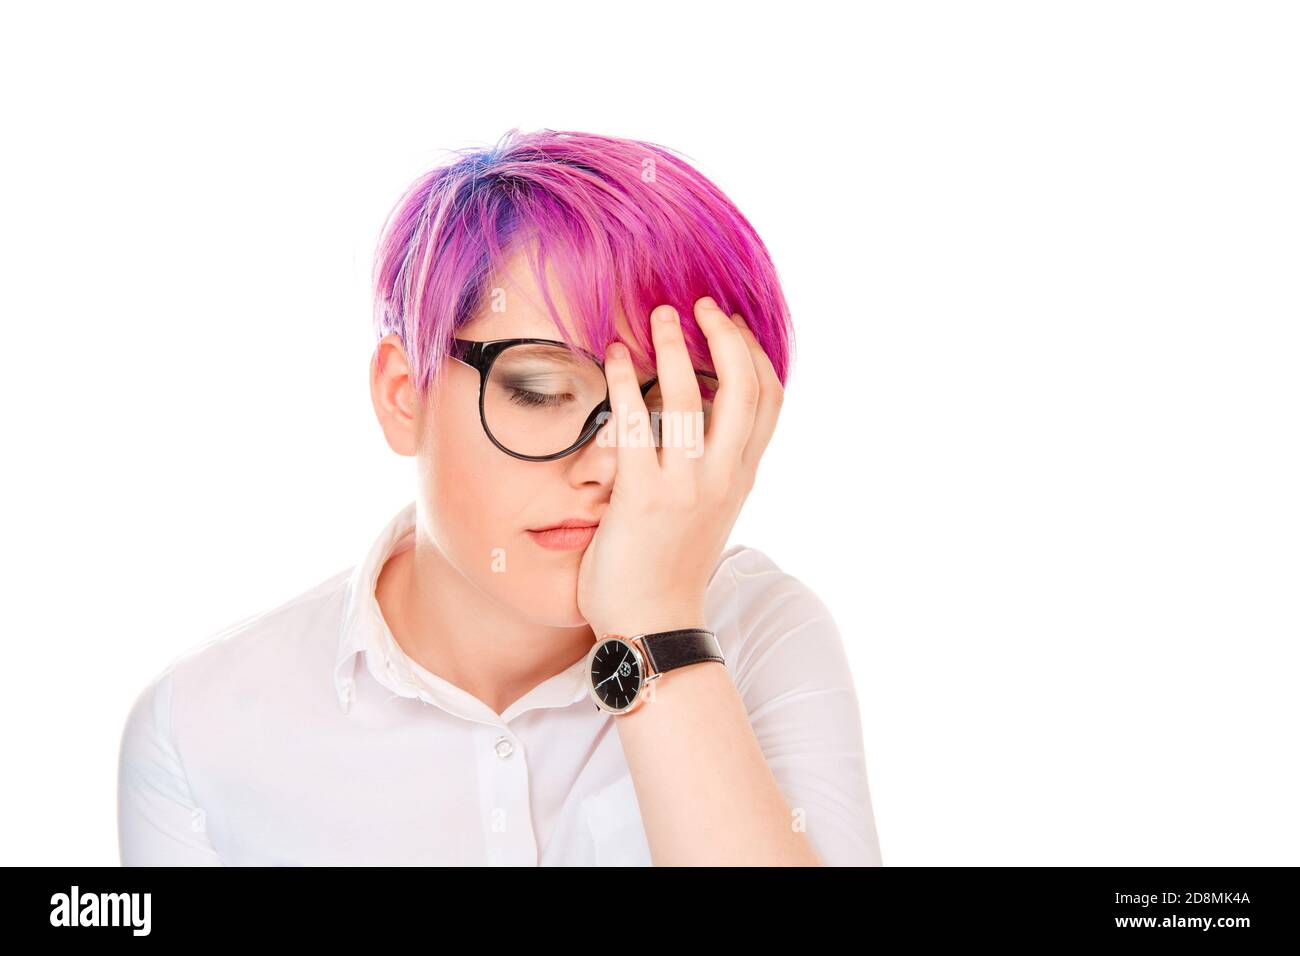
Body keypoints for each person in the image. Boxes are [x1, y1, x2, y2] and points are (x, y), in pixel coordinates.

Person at [116, 128, 883, 866]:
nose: (609, 466)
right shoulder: (199, 730)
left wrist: (657, 625)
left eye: (665, 413)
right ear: (401, 394)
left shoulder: (759, 633)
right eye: (543, 391)